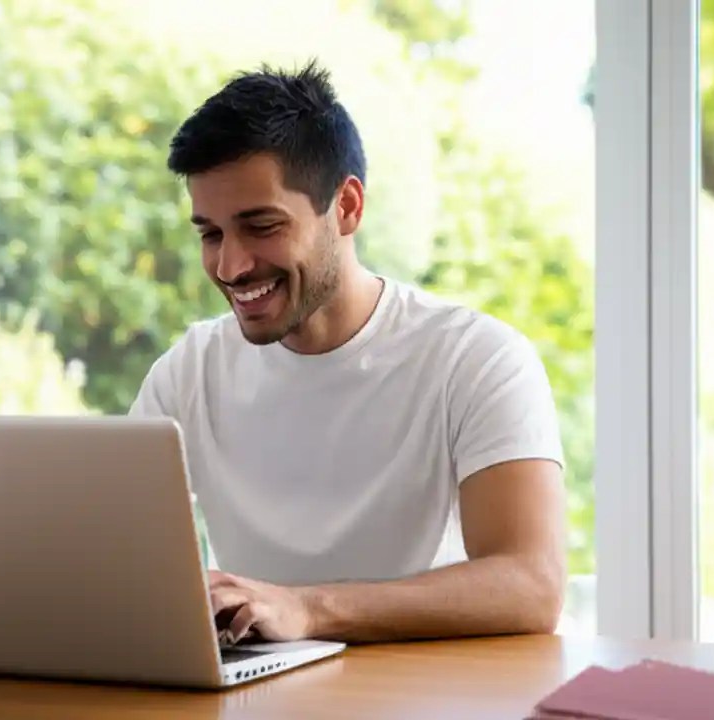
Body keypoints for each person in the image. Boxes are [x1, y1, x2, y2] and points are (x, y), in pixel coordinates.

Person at [128, 61, 567, 645]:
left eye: (262, 226)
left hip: (424, 687)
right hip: (257, 688)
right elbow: (115, 562)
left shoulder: (475, 359)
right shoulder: (186, 374)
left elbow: (532, 585)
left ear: (347, 207)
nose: (230, 266)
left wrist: (309, 610)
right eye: (211, 234)